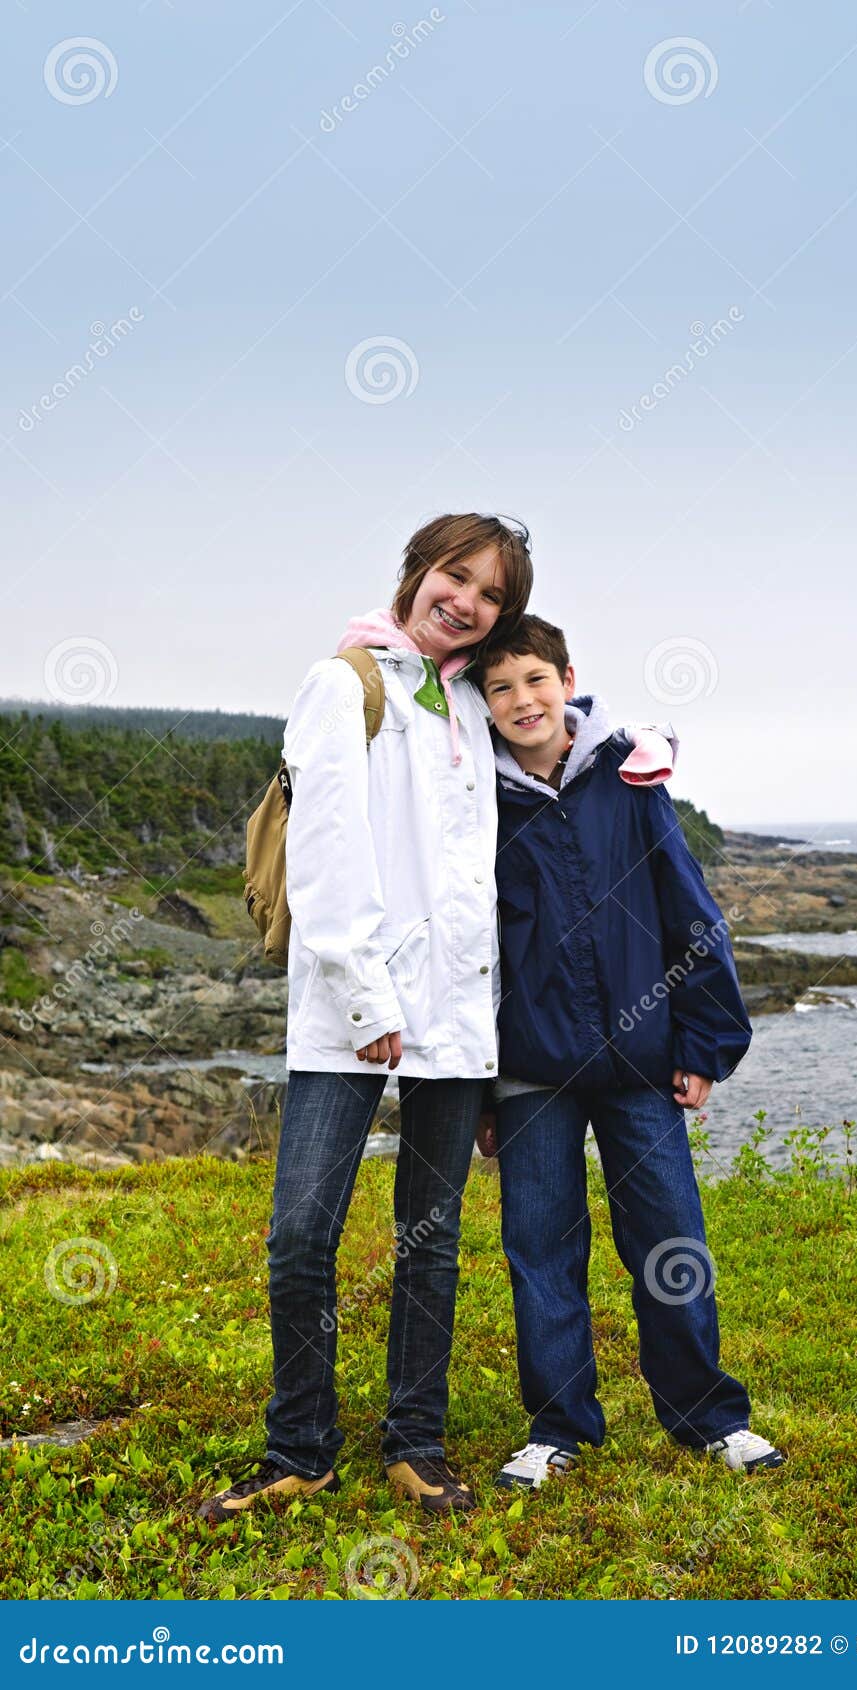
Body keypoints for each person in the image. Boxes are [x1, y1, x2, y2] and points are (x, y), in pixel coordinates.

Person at [197, 513, 533, 1524]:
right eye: (453, 574)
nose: (465, 600)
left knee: (427, 1237)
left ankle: (415, 1444)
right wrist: (364, 996)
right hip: (356, 1006)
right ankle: (299, 1446)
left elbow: (481, 866)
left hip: (458, 1012)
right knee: (303, 1230)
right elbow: (330, 851)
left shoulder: (471, 706)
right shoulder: (346, 683)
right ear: (417, 571)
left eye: (488, 593)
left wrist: (489, 1029)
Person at [474, 615, 786, 1491]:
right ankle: (558, 1427)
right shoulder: (474, 803)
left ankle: (708, 1418)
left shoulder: (629, 777)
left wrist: (704, 1041)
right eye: (500, 688)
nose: (522, 700)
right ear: (482, 705)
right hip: (530, 1068)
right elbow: (470, 952)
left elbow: (688, 910)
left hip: (642, 1063)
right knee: (540, 1249)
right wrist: (479, 1093)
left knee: (669, 1240)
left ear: (567, 678)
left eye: (535, 680)